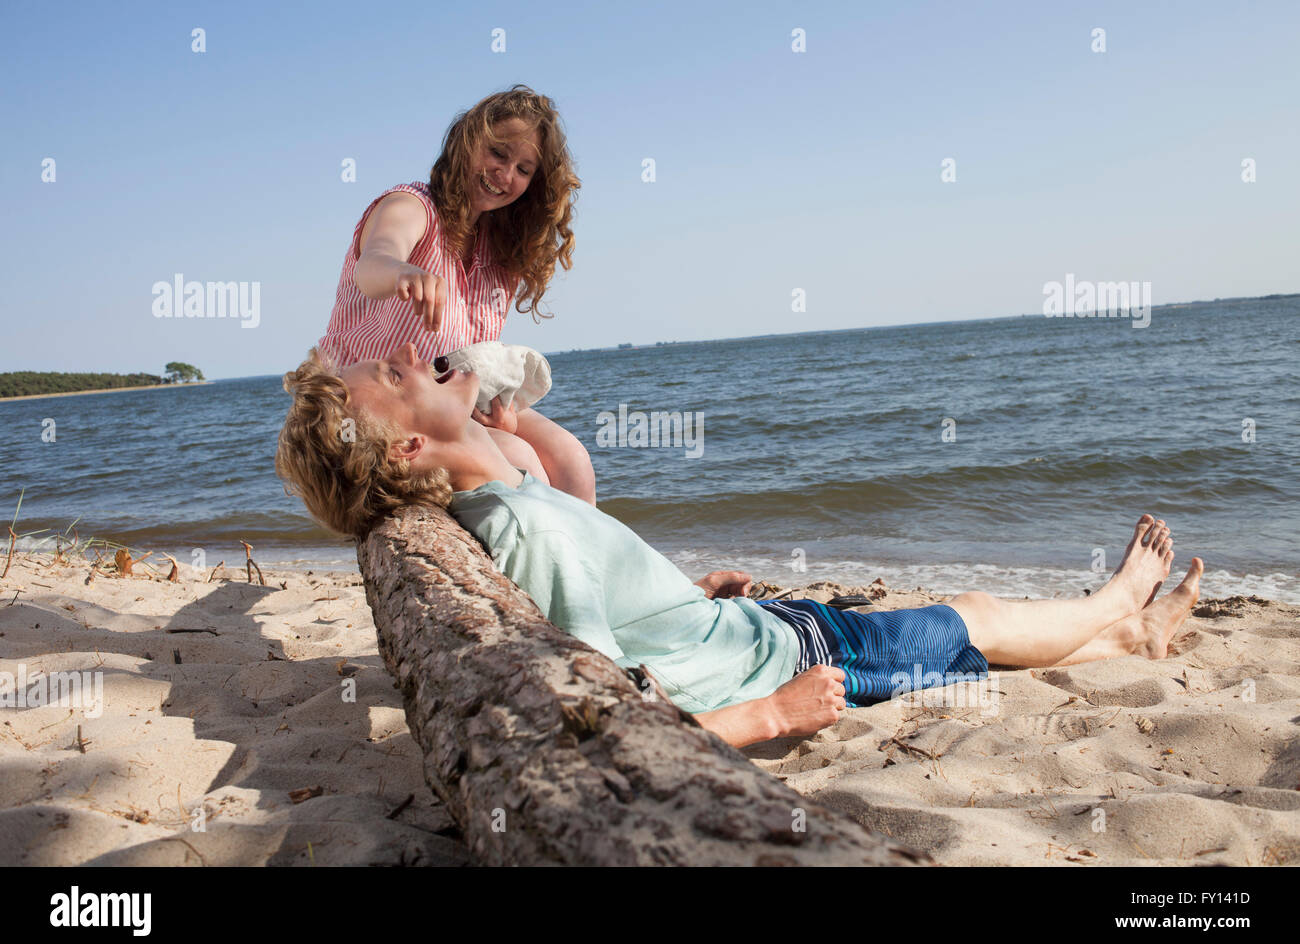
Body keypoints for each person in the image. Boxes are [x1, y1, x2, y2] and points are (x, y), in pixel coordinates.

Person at [275, 343, 1205, 749]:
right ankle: (1118, 603)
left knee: (956, 653)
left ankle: (1130, 641)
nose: (415, 358)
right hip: (781, 664)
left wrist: (680, 598)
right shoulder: (515, 526)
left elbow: (592, 559)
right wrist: (770, 719)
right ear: (406, 445)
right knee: (974, 617)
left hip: (745, 629)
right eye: (398, 374)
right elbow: (607, 715)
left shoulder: (509, 490)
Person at [317, 84, 596, 504]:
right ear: (469, 142)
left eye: (524, 169)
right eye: (499, 154)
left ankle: (589, 566)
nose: (506, 175)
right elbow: (373, 261)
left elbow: (468, 364)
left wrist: (499, 417)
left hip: (443, 406)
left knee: (571, 458)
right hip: (369, 411)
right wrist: (402, 272)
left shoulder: (502, 252)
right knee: (519, 458)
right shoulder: (412, 207)